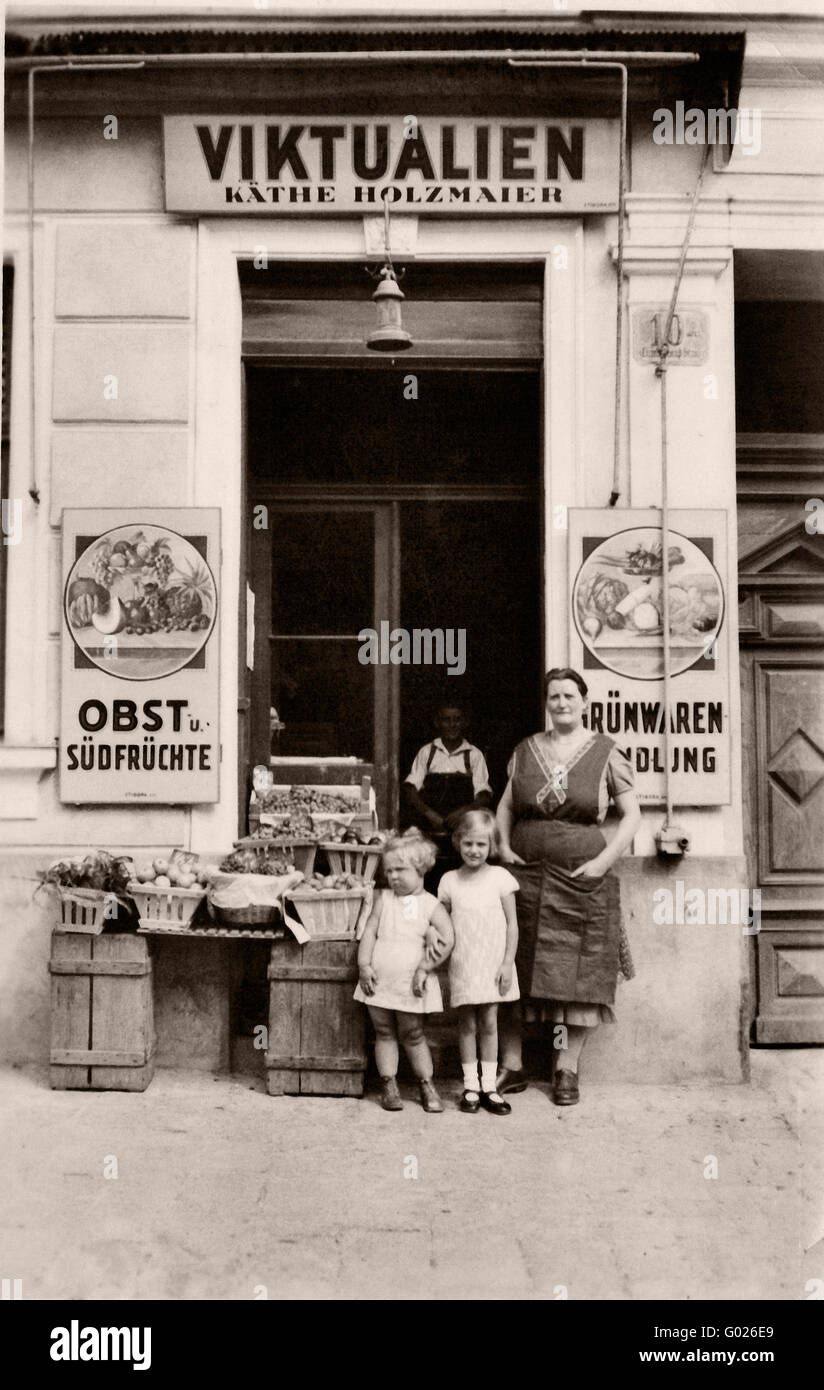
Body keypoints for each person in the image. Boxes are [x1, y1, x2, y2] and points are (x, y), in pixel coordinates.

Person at [495, 668, 641, 1106]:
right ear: (547, 703)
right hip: (526, 874)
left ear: (585, 702)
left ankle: (566, 1069)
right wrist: (503, 847)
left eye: (569, 696)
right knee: (516, 963)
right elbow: (505, 804)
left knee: (582, 972)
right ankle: (513, 1065)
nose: (561, 703)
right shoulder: (525, 750)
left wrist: (602, 862)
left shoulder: (606, 753)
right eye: (554, 696)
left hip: (582, 876)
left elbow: (631, 816)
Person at [354, 829, 454, 1113]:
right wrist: (364, 965)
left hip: (411, 982)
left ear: (420, 869)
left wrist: (426, 967)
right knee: (383, 1031)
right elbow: (369, 933)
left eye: (400, 870)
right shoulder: (383, 900)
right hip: (380, 980)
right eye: (389, 871)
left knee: (413, 1033)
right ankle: (389, 1084)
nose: (393, 876)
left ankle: (426, 1083)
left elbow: (448, 938)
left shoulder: (430, 905)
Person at [438, 809, 520, 1117]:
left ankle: (490, 1086)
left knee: (489, 1023)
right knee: (466, 1024)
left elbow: (512, 924)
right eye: (468, 843)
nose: (474, 851)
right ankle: (470, 1085)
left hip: (493, 963)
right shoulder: (448, 882)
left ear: (492, 846)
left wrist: (507, 962)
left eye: (481, 845)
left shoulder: (501, 879)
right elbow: (442, 924)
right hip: (464, 963)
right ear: (458, 842)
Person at [402, 704, 492, 837]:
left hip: (463, 828)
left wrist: (465, 812)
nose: (452, 725)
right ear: (437, 723)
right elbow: (410, 790)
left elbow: (484, 795)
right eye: (446, 720)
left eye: (457, 719)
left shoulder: (474, 754)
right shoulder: (427, 752)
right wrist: (429, 814)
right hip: (431, 826)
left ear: (464, 723)